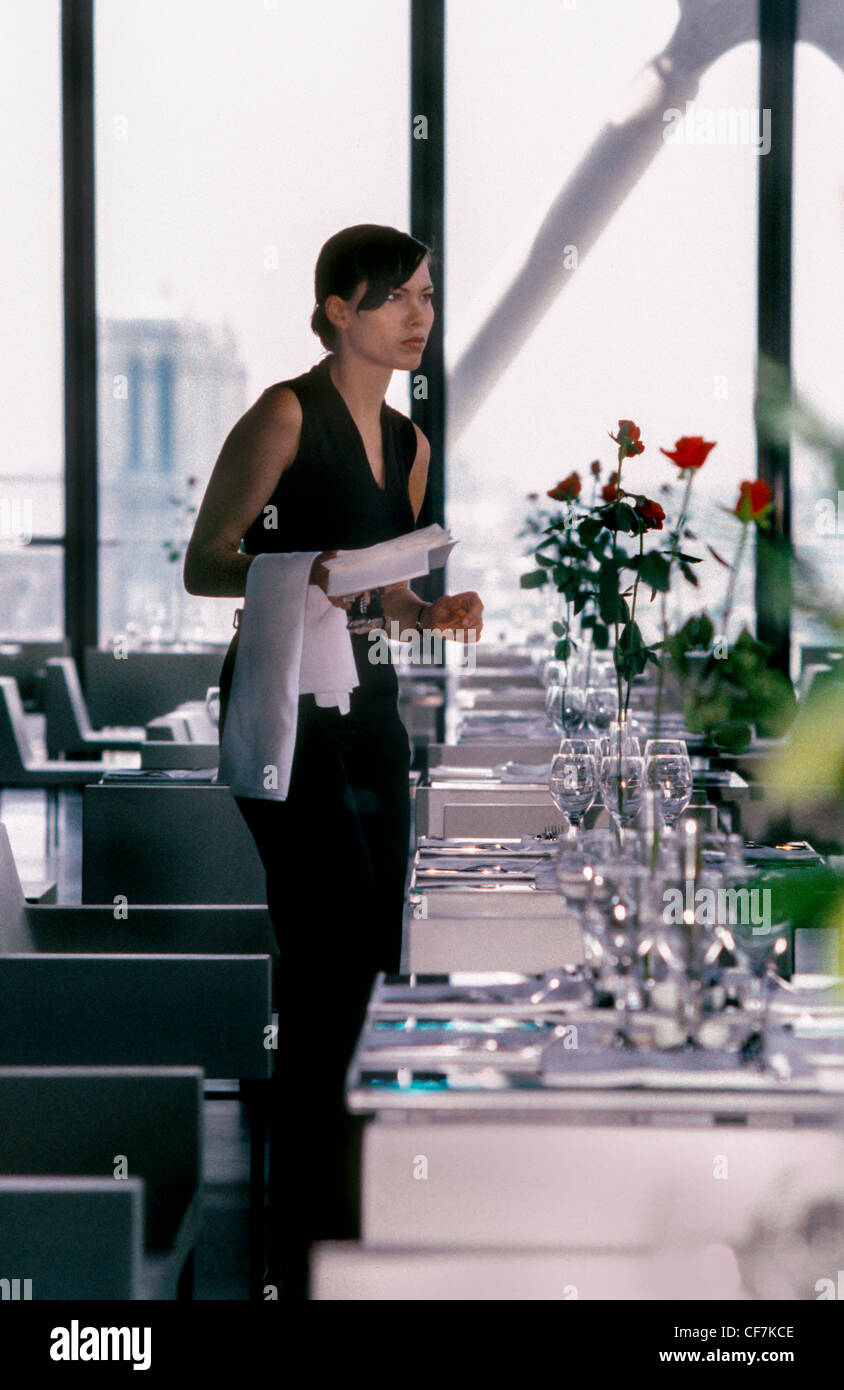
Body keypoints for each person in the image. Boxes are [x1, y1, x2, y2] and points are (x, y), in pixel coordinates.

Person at [183, 224, 483, 1298]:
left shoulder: (410, 447)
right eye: (397, 297)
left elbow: (386, 589)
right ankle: (301, 1219)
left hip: (370, 711)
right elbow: (206, 562)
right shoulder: (281, 413)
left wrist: (425, 604)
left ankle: (347, 1186)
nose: (419, 317)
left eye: (428, 297)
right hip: (282, 706)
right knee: (327, 942)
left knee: (370, 942)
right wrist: (306, 570)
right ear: (336, 310)